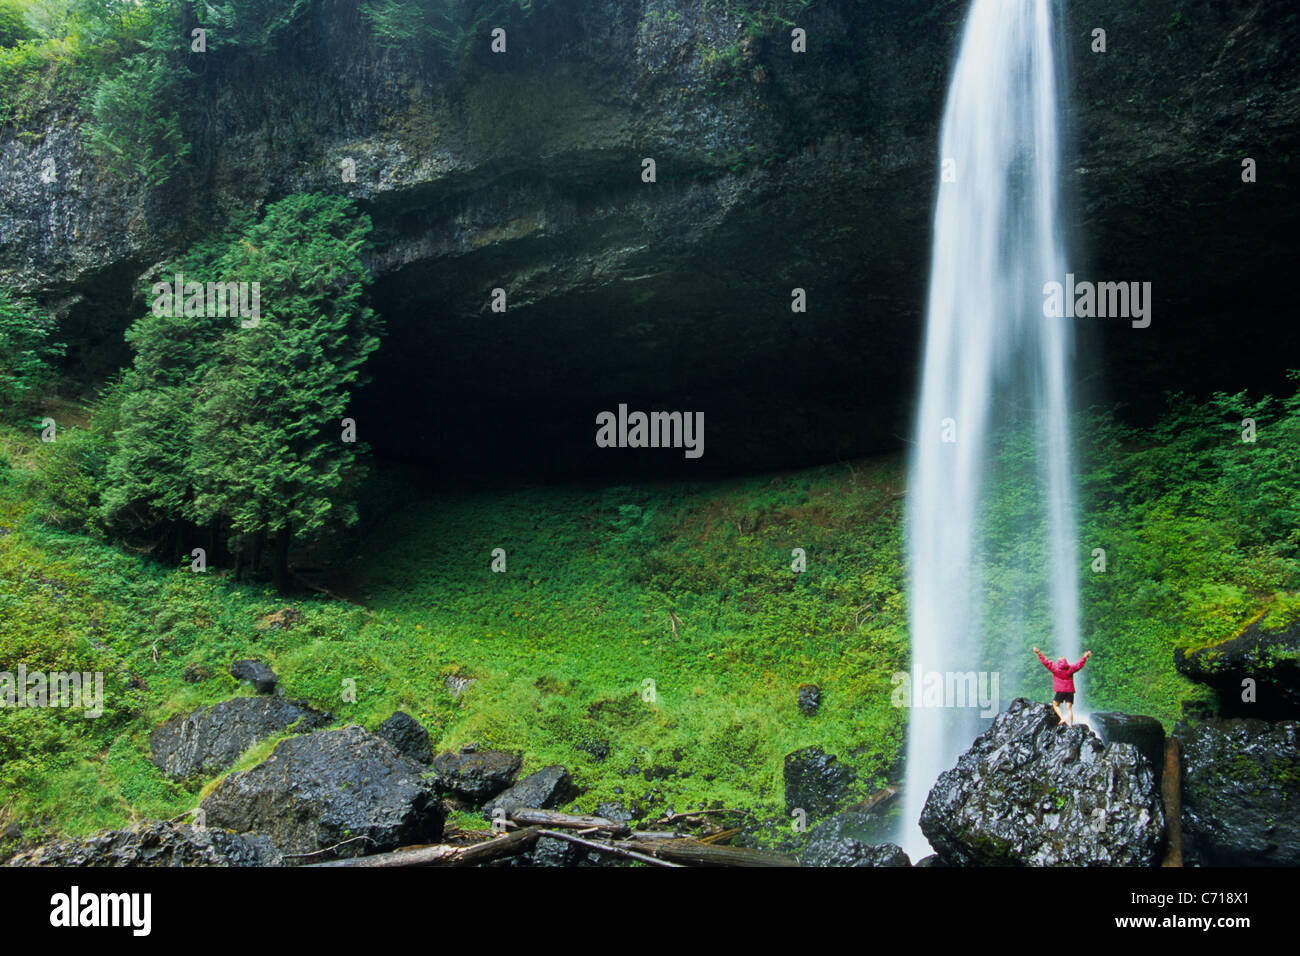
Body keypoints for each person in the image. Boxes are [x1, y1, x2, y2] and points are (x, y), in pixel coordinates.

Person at [1032, 646, 1091, 725]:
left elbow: (1046, 662)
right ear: (1066, 662)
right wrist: (1085, 656)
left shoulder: (1055, 668)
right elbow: (1079, 665)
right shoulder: (1070, 669)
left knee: (1055, 705)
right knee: (1069, 708)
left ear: (1058, 662)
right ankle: (1070, 724)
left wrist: (1039, 653)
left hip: (1061, 691)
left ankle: (1062, 717)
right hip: (1070, 691)